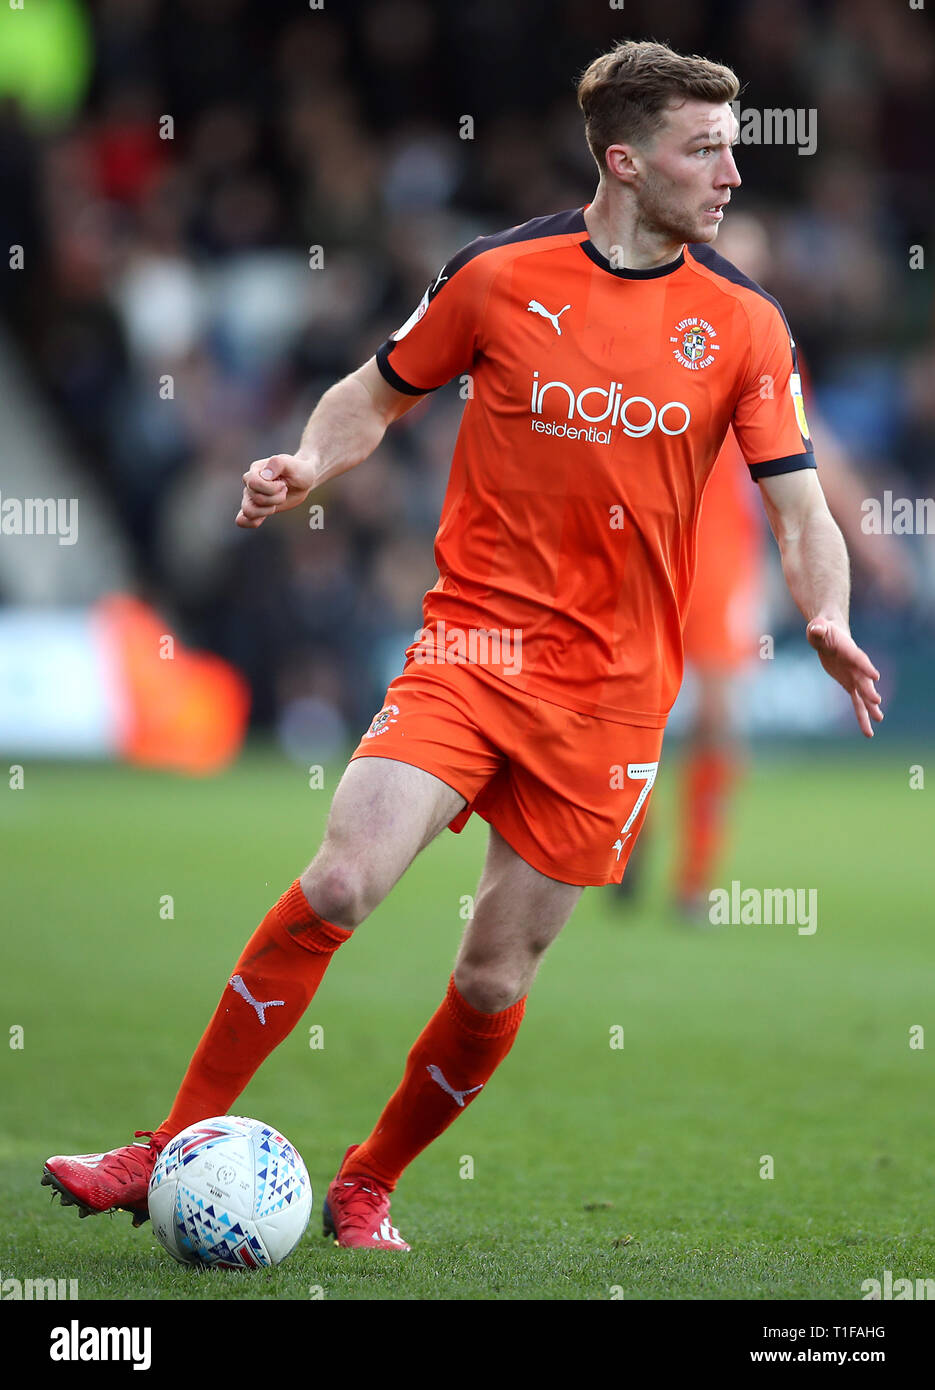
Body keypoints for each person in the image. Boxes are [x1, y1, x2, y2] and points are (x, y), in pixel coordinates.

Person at [42, 39, 883, 1253]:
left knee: (492, 979)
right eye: (704, 149)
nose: (732, 174)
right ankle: (161, 1146)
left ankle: (365, 1182)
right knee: (339, 880)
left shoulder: (743, 325)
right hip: (471, 648)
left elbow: (799, 506)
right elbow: (374, 390)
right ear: (624, 160)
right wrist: (306, 462)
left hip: (610, 699)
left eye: (730, 146)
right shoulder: (498, 276)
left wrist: (825, 612)